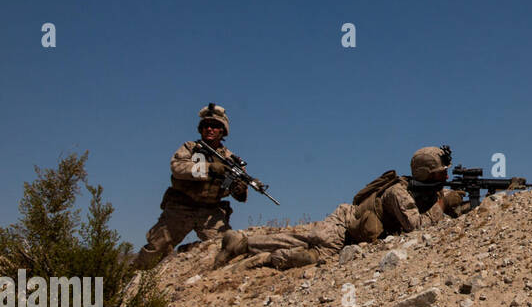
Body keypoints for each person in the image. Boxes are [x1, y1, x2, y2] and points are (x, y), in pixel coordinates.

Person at [215, 146, 462, 270]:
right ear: (425, 174)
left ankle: (247, 244)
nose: (445, 175)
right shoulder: (399, 192)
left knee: (303, 239)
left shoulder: (424, 189)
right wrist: (442, 204)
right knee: (315, 252)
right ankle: (250, 250)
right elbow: (415, 226)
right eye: (441, 172)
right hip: (343, 223)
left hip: (352, 231)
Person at [135, 103, 249, 270]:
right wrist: (209, 169)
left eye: (215, 126)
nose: (209, 129)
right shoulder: (190, 148)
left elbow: (231, 189)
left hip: (211, 212)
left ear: (222, 131)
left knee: (225, 245)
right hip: (181, 207)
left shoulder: (232, 160)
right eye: (206, 126)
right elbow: (178, 168)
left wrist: (238, 189)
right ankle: (131, 279)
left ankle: (191, 254)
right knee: (156, 248)